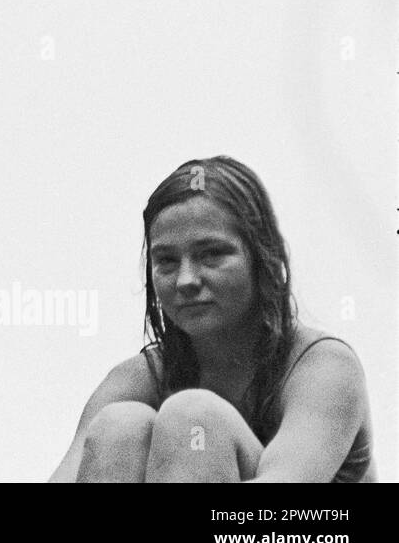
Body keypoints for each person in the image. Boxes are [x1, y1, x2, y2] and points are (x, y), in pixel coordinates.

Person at [50, 156, 376, 483]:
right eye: (166, 260)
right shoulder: (139, 378)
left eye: (211, 254)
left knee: (194, 419)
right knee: (119, 427)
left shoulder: (323, 367)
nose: (186, 279)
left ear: (263, 258)